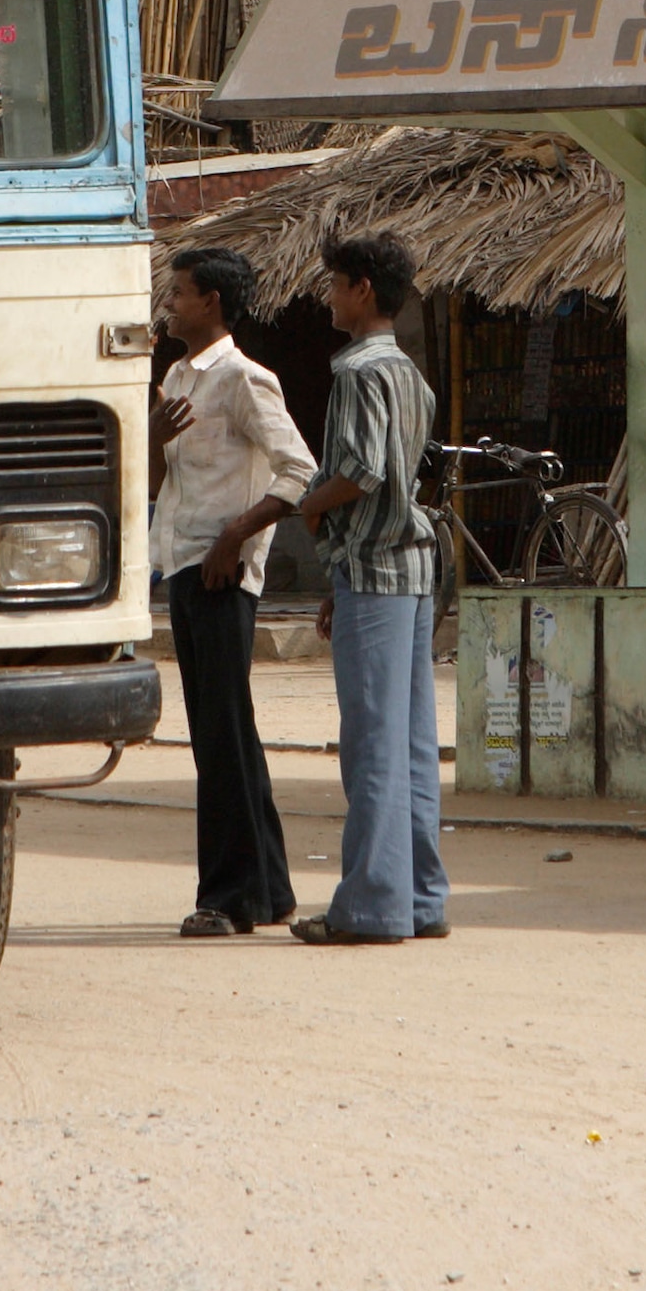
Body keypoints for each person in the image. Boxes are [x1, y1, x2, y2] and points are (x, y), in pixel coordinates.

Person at [262, 231, 445, 945]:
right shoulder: (409, 374)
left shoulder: (358, 372)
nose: (328, 296)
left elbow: (360, 472)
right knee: (411, 742)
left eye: (336, 283)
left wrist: (307, 503)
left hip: (374, 567)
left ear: (362, 288)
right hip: (411, 568)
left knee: (370, 743)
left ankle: (371, 903)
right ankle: (422, 896)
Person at [150, 247, 317, 939]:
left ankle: (225, 896)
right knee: (226, 736)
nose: (171, 302)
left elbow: (300, 469)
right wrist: (153, 436)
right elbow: (166, 473)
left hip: (222, 574)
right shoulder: (178, 374)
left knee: (222, 739)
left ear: (212, 300)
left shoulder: (247, 379)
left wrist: (237, 536)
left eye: (181, 292)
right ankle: (269, 890)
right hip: (182, 565)